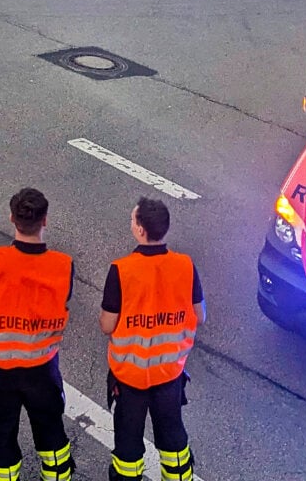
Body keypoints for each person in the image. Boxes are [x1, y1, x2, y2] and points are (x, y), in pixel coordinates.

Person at [0, 188, 75, 481]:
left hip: (0, 369)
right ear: (45, 221)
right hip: (42, 368)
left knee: (2, 435)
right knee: (51, 433)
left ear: (12, 218)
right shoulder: (64, 266)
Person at [100, 198, 204, 481]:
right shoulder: (185, 265)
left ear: (141, 231)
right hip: (170, 375)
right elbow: (200, 314)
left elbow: (107, 325)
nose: (132, 223)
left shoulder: (121, 270)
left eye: (134, 220)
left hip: (131, 380)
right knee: (174, 443)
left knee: (128, 449)